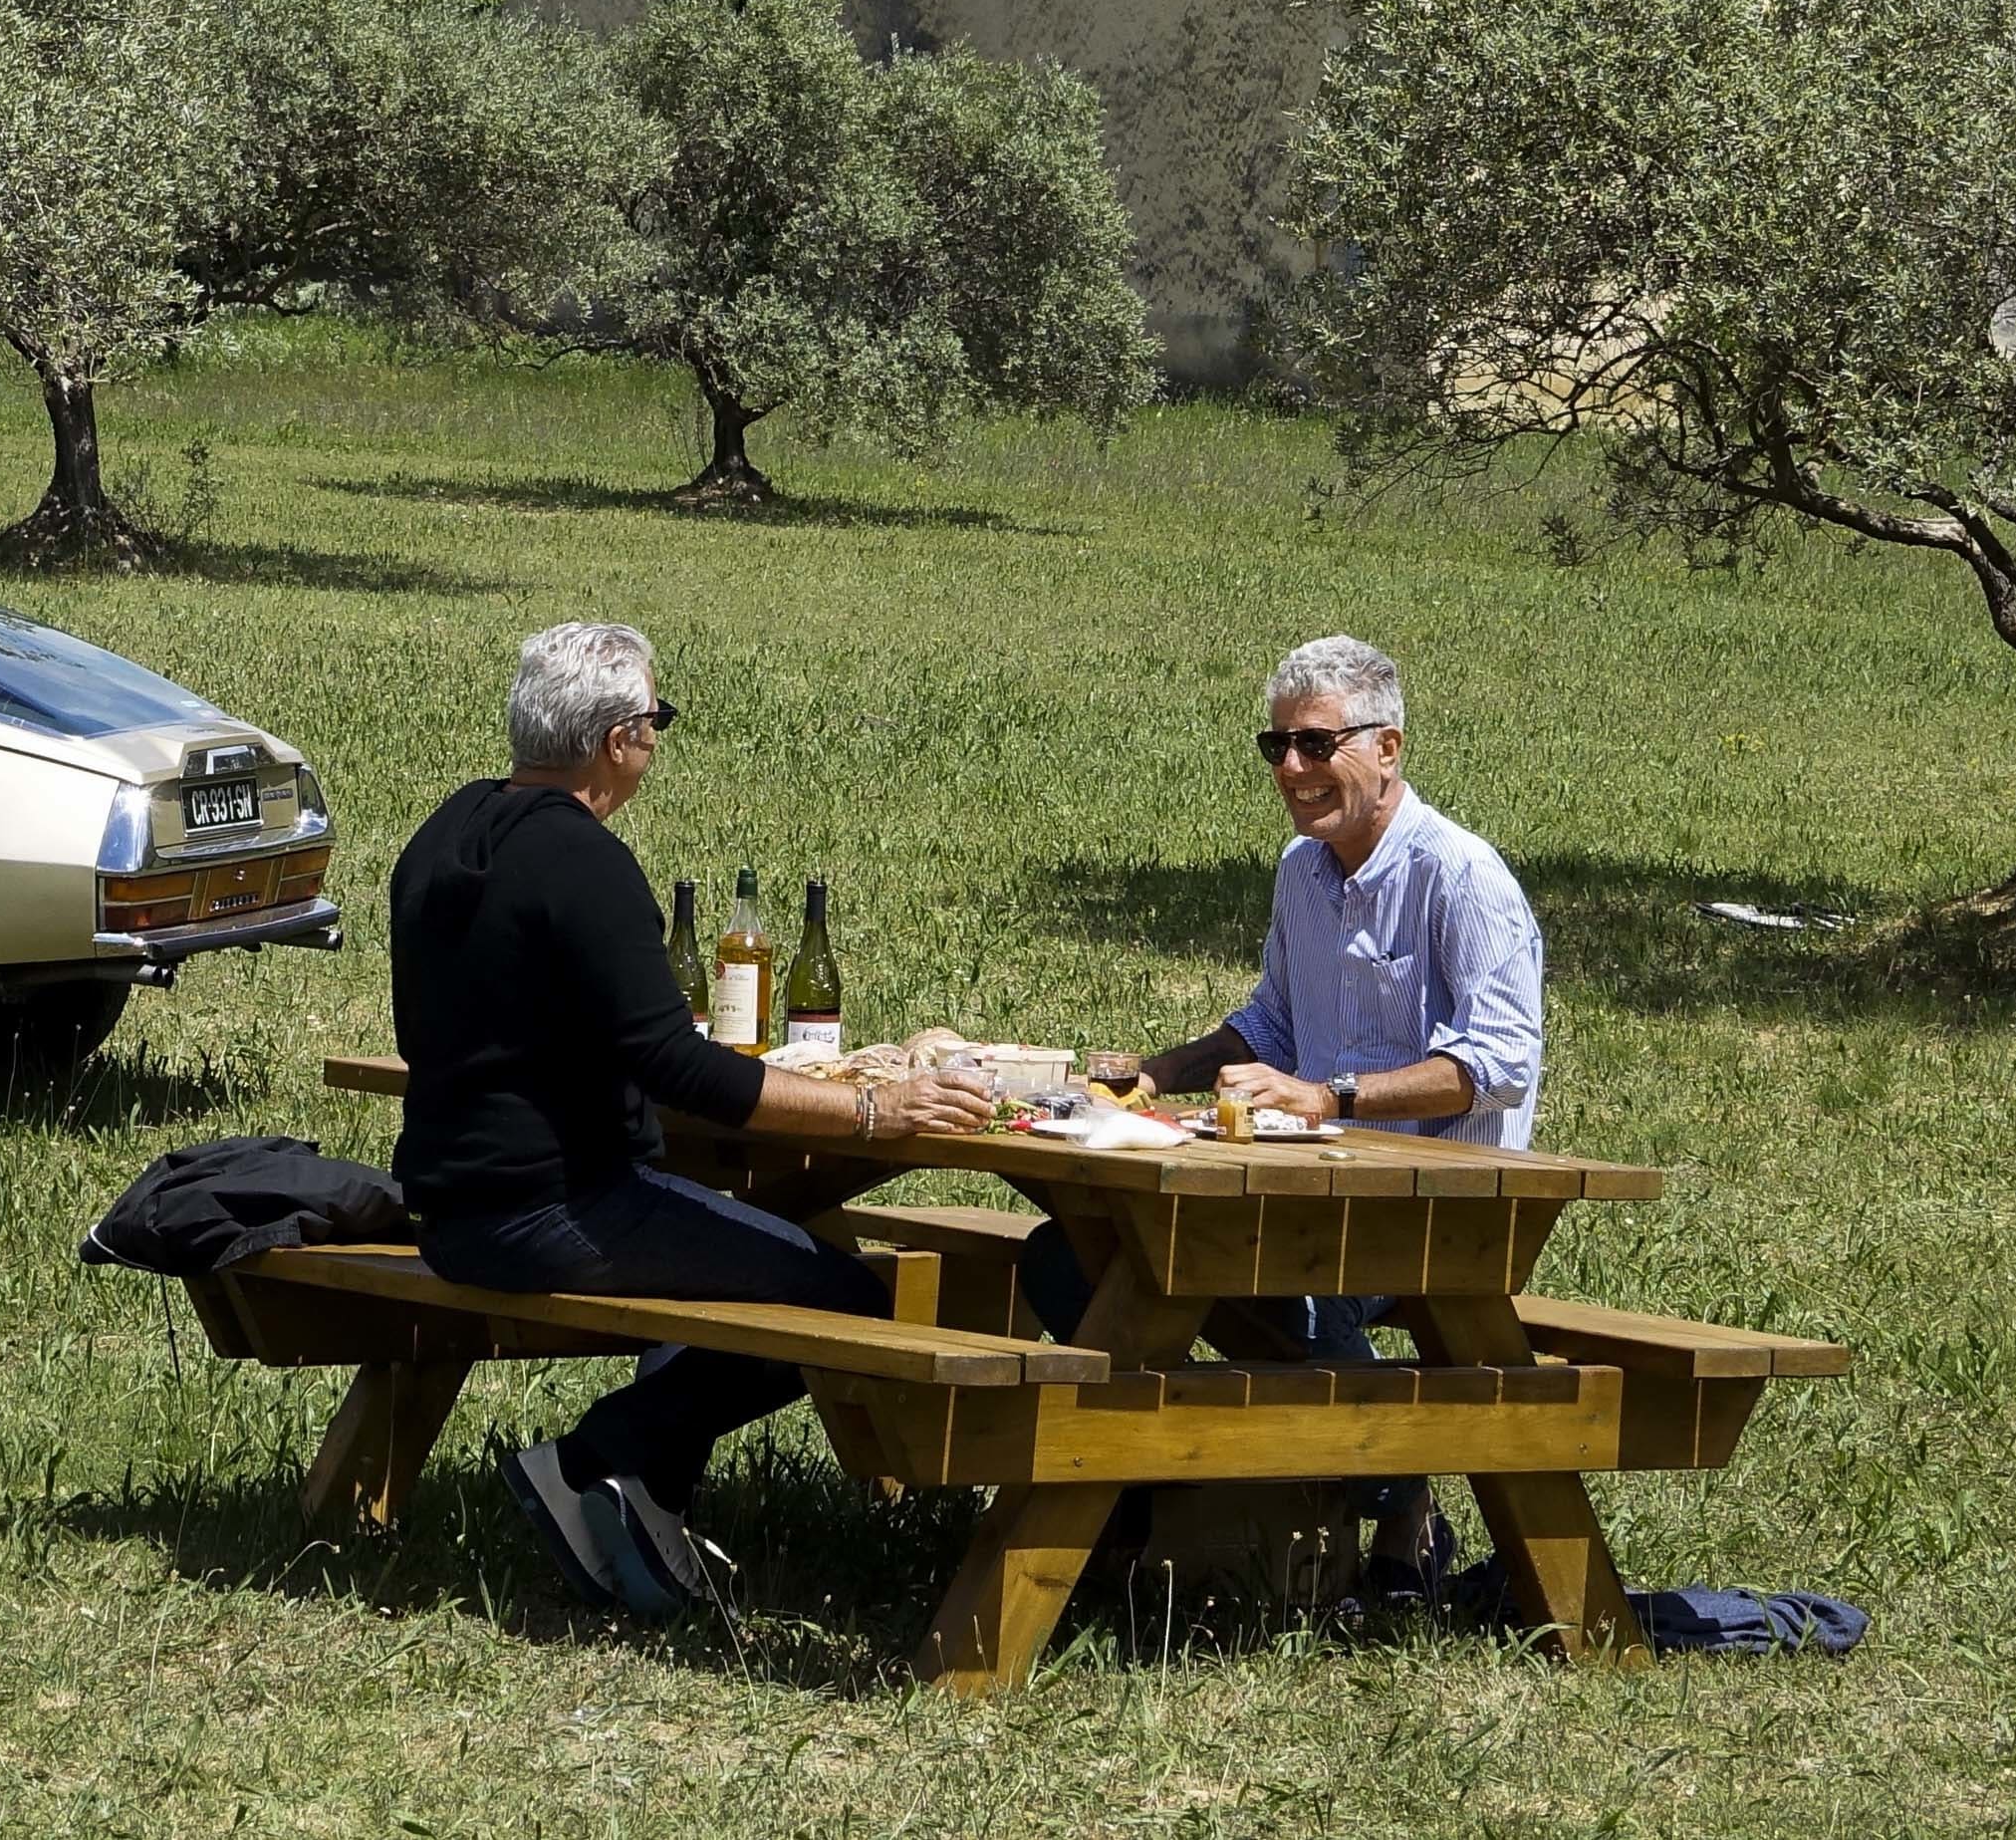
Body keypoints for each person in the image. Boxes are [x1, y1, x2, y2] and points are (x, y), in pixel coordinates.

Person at [387, 621, 994, 1620]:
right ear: (618, 738)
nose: (656, 742)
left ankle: (644, 1495)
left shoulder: (448, 831)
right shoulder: (581, 863)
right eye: (655, 721)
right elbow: (678, 1069)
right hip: (548, 1206)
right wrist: (871, 1107)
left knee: (724, 1251)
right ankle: (597, 1459)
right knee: (839, 1295)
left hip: (447, 1196)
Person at [1033, 632, 1546, 1594]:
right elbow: (1271, 1018)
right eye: (1278, 749)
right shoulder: (1301, 872)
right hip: (1305, 1188)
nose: (1295, 770)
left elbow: (1499, 1062)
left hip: (1438, 1211)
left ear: (1389, 747)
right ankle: (1161, 1498)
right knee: (1071, 1253)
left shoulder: (1462, 878)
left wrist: (1331, 1097)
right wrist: (1156, 1072)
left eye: (1319, 745)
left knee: (1222, 1277)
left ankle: (1392, 1490)